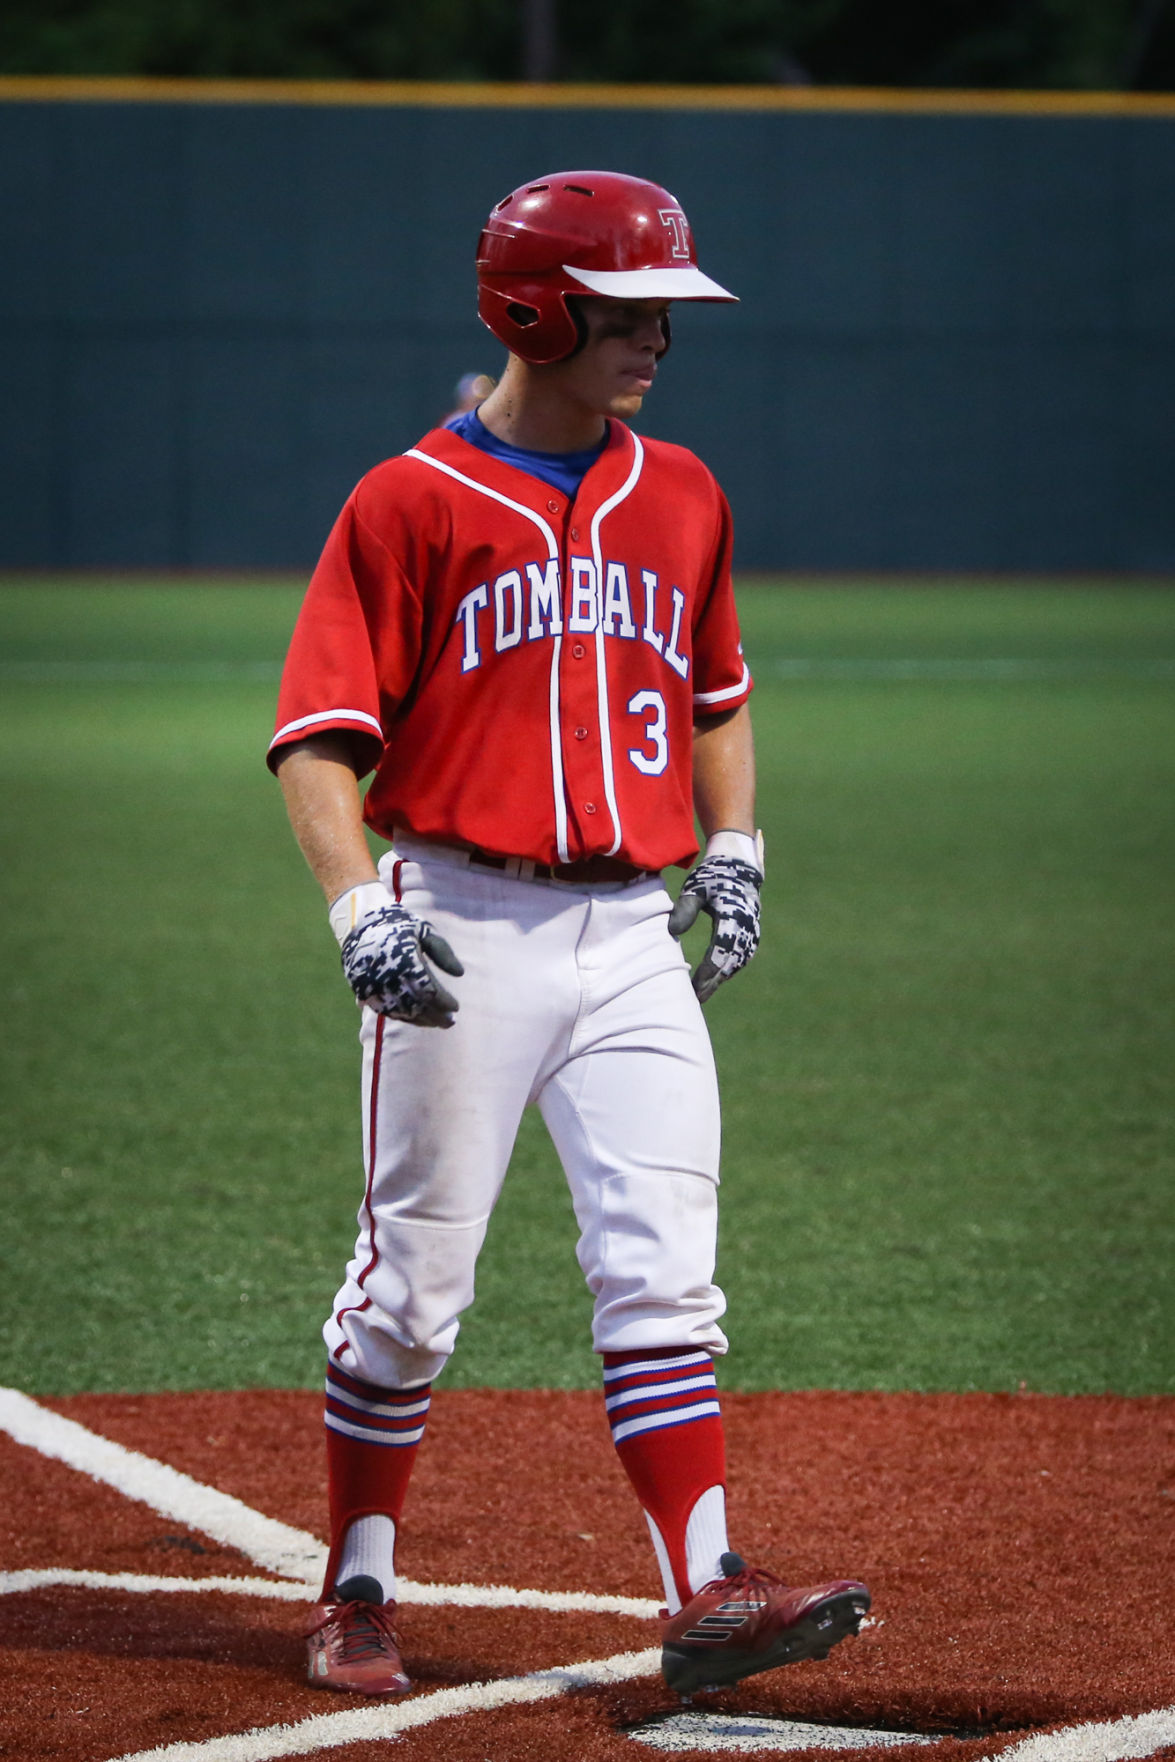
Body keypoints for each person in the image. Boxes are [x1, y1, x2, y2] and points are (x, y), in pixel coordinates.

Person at [269, 170, 870, 1703]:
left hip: (630, 932)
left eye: (668, 306)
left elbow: (718, 697)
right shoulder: (406, 499)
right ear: (538, 306)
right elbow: (316, 741)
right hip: (456, 925)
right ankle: (354, 1586)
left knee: (667, 1274)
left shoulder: (683, 493)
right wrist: (358, 911)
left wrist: (733, 851)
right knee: (412, 1290)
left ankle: (710, 1588)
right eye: (632, 303)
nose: (661, 333)